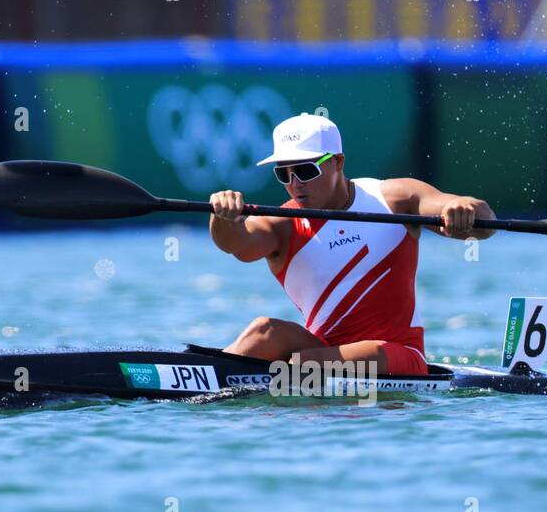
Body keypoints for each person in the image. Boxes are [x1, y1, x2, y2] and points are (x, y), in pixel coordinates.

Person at [209, 113, 495, 376]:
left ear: (338, 162)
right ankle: (204, 377)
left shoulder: (394, 199)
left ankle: (266, 378)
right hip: (318, 352)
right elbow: (238, 245)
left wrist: (463, 208)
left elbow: (482, 223)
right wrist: (222, 217)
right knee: (264, 332)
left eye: (306, 171)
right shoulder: (283, 224)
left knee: (309, 362)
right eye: (284, 173)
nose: (295, 184)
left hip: (395, 354)